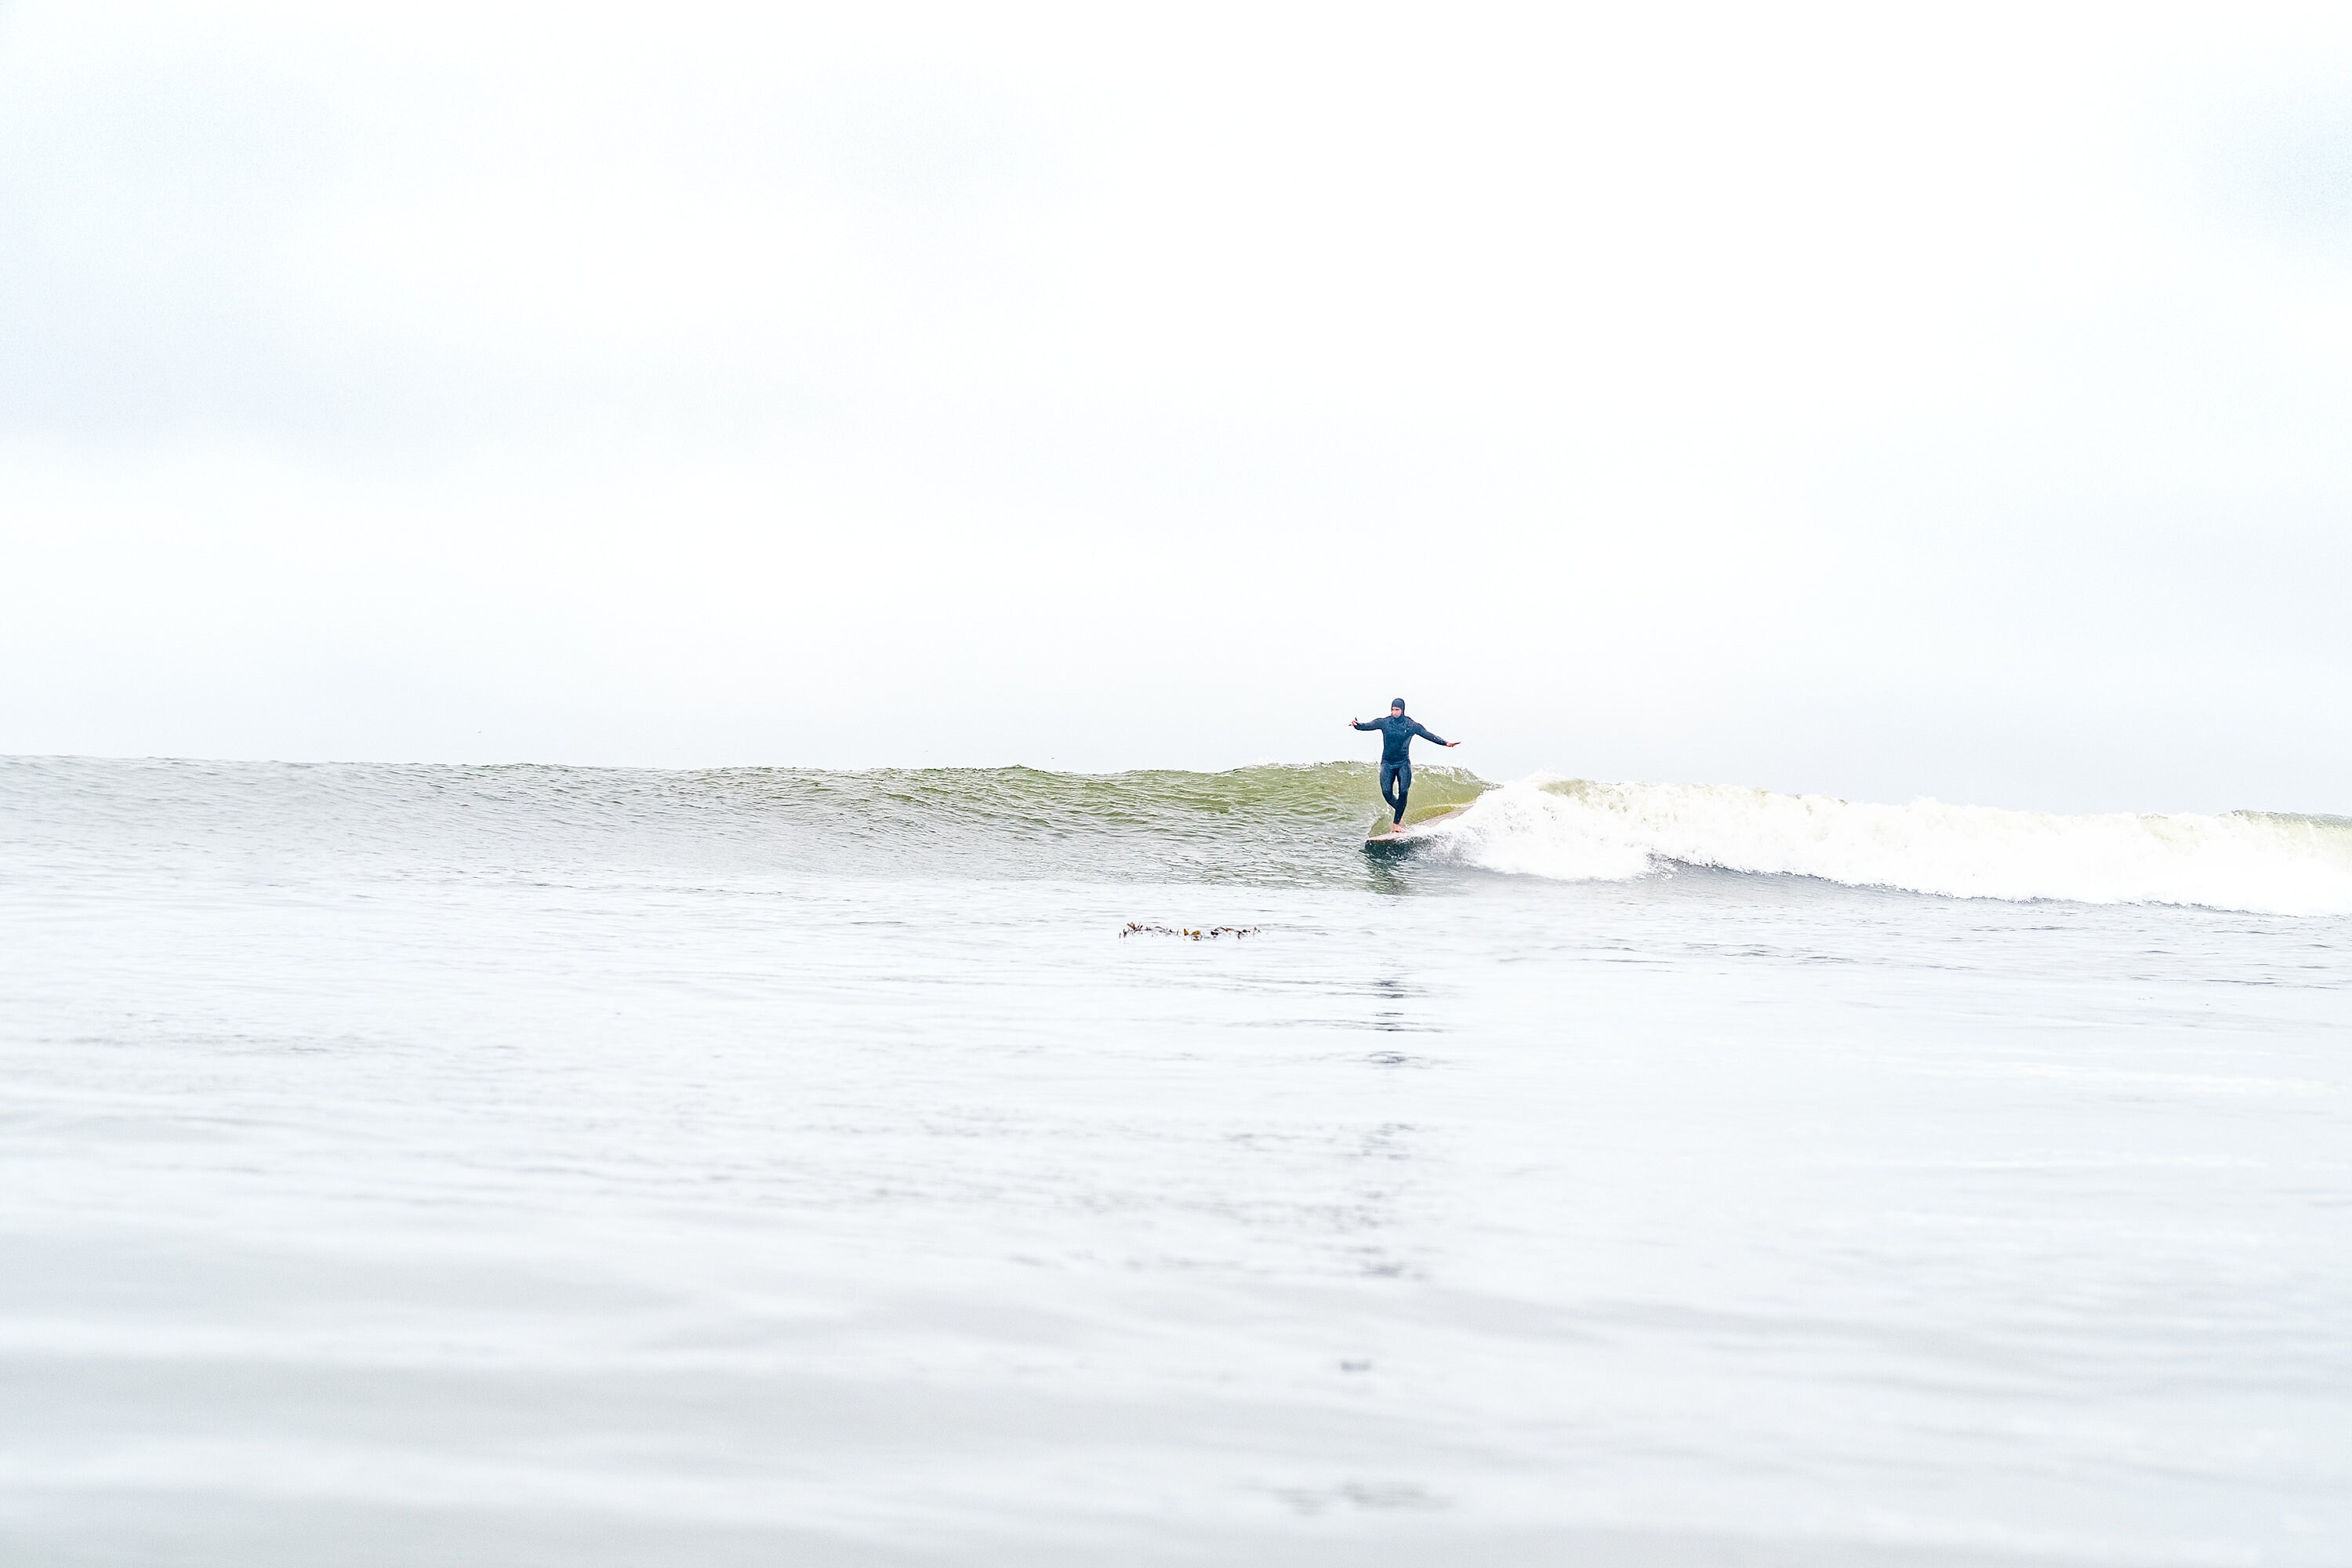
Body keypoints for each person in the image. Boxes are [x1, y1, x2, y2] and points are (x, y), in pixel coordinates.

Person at [1348, 699, 1460, 827]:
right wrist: (1358, 725)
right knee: (1387, 793)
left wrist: (1445, 743)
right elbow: (1368, 725)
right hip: (1387, 763)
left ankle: (1396, 824)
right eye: (1392, 709)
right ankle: (1400, 812)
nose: (1394, 712)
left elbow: (1428, 735)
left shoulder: (1411, 725)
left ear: (1402, 710)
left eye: (1397, 710)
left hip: (1403, 763)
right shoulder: (1385, 722)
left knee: (1404, 791)